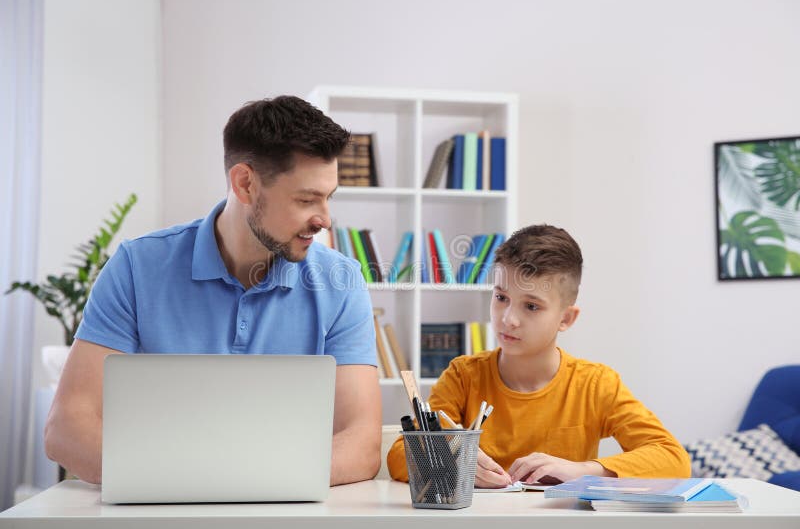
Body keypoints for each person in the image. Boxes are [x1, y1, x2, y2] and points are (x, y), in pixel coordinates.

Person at [44, 96, 382, 486]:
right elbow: (66, 429)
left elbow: (361, 442)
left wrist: (236, 484)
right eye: (306, 199)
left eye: (328, 197)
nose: (324, 219)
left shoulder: (341, 282)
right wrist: (192, 485)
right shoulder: (137, 268)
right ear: (245, 184)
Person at [387, 224, 691, 486]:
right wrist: (454, 463)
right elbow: (400, 454)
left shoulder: (596, 384)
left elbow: (673, 459)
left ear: (566, 319)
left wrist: (583, 471)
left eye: (531, 306)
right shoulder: (464, 375)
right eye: (501, 297)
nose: (508, 318)